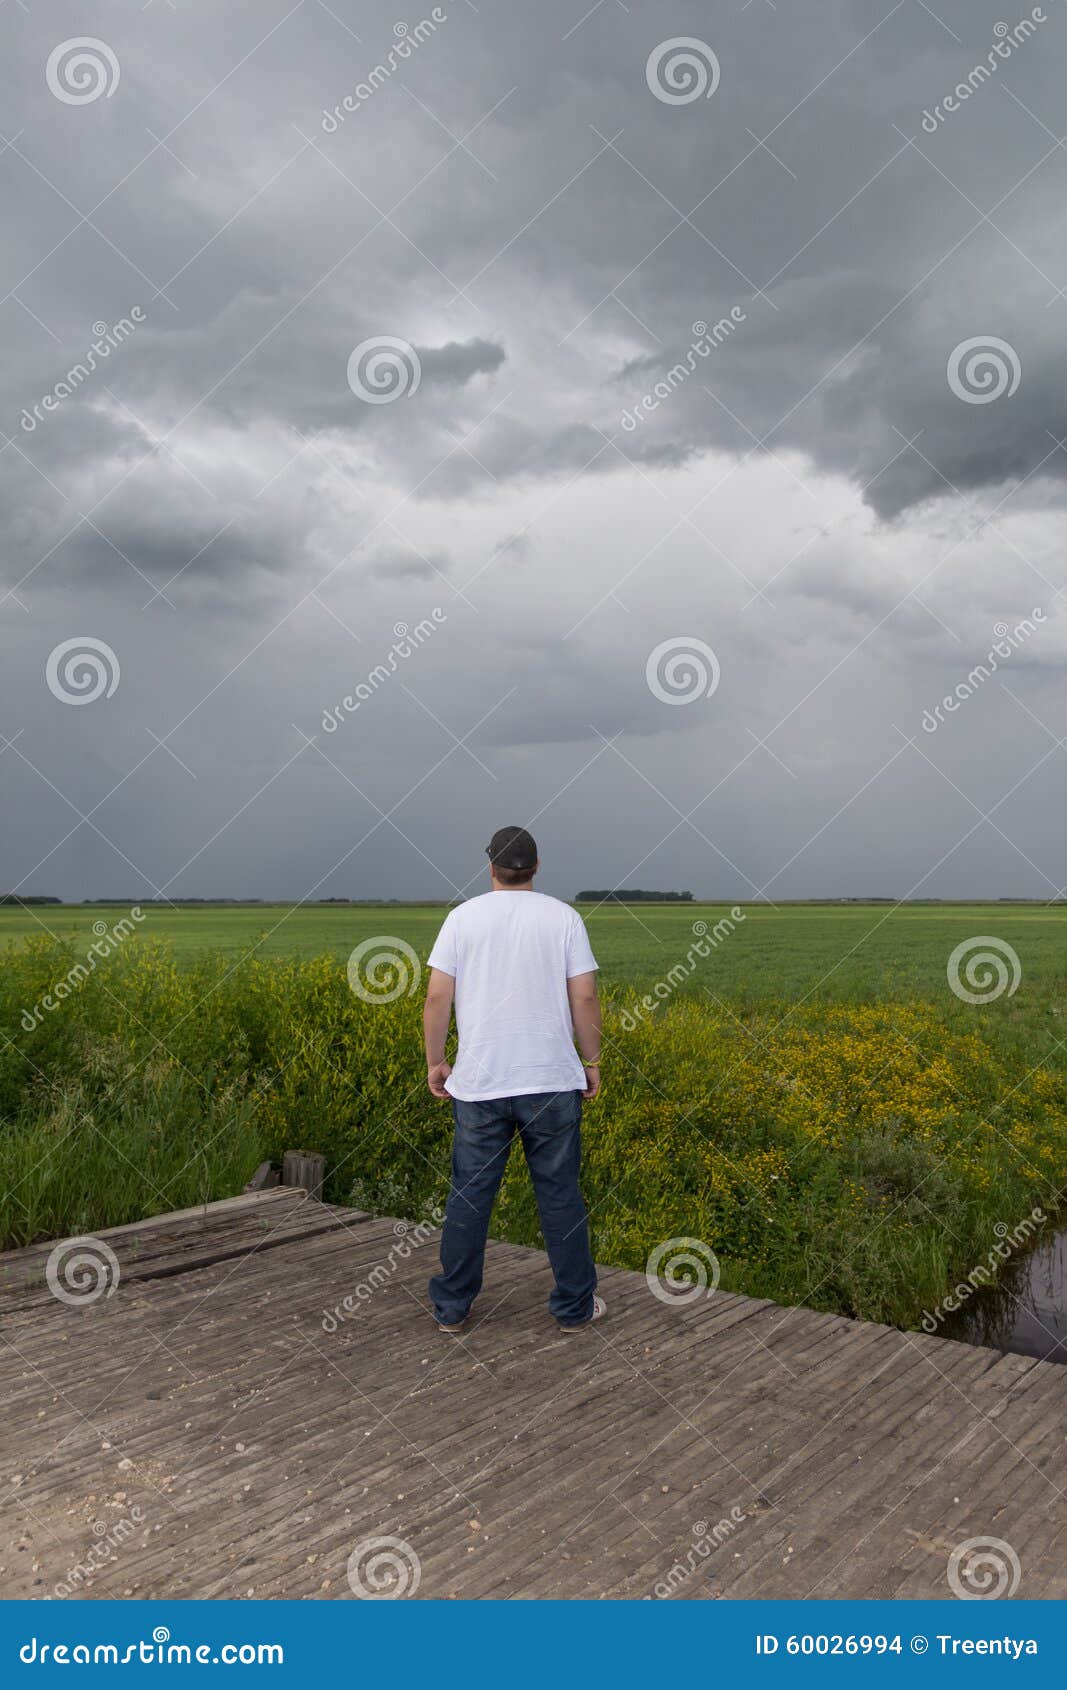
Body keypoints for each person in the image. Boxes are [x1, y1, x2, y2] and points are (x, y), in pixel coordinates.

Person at [423, 826, 606, 1333]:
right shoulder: (564, 918)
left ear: (491, 869)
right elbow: (585, 997)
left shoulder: (462, 919)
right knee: (561, 1194)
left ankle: (452, 1308)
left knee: (470, 1196)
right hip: (551, 1081)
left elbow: (437, 999)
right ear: (537, 867)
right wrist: (591, 1061)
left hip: (480, 1084)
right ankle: (573, 1308)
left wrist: (436, 1062)